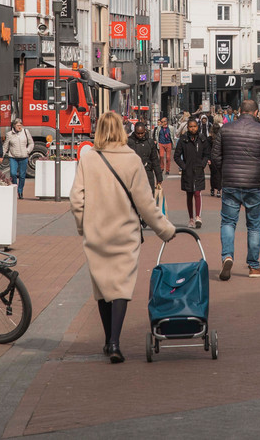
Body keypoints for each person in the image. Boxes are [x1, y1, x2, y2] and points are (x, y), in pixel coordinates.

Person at [70, 112, 176, 363]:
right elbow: (145, 203)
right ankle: (115, 343)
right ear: (121, 130)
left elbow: (76, 200)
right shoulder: (132, 159)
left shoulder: (88, 159)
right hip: (124, 233)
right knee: (120, 287)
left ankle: (108, 340)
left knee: (102, 287)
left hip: (97, 233)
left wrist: (83, 227)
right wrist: (165, 230)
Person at [210, 99, 260, 280]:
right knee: (254, 225)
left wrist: (224, 172)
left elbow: (215, 156)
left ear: (239, 111)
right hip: (254, 183)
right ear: (256, 113)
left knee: (228, 222)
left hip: (231, 182)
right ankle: (254, 266)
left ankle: (227, 256)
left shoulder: (226, 129)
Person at [174, 116, 208, 228]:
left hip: (198, 170)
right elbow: (177, 156)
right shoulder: (184, 140)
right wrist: (184, 166)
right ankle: (191, 218)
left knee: (197, 193)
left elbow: (207, 154)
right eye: (190, 127)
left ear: (197, 127)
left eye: (194, 126)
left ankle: (198, 216)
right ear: (187, 127)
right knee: (189, 194)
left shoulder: (202, 139)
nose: (193, 128)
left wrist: (203, 164)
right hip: (187, 171)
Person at [3, 118, 35, 200]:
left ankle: (20, 191)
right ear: (14, 126)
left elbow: (31, 143)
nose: (19, 127)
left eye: (20, 125)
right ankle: (14, 188)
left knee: (22, 175)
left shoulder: (25, 132)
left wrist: (27, 151)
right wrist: (1, 156)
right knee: (13, 173)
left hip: (23, 157)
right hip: (13, 157)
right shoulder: (9, 134)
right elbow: (5, 146)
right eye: (18, 125)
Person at [127, 120, 161, 192]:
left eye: (142, 133)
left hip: (148, 173)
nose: (140, 135)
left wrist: (159, 177)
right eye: (138, 133)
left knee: (150, 196)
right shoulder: (129, 142)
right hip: (134, 174)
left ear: (145, 131)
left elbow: (155, 160)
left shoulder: (150, 142)